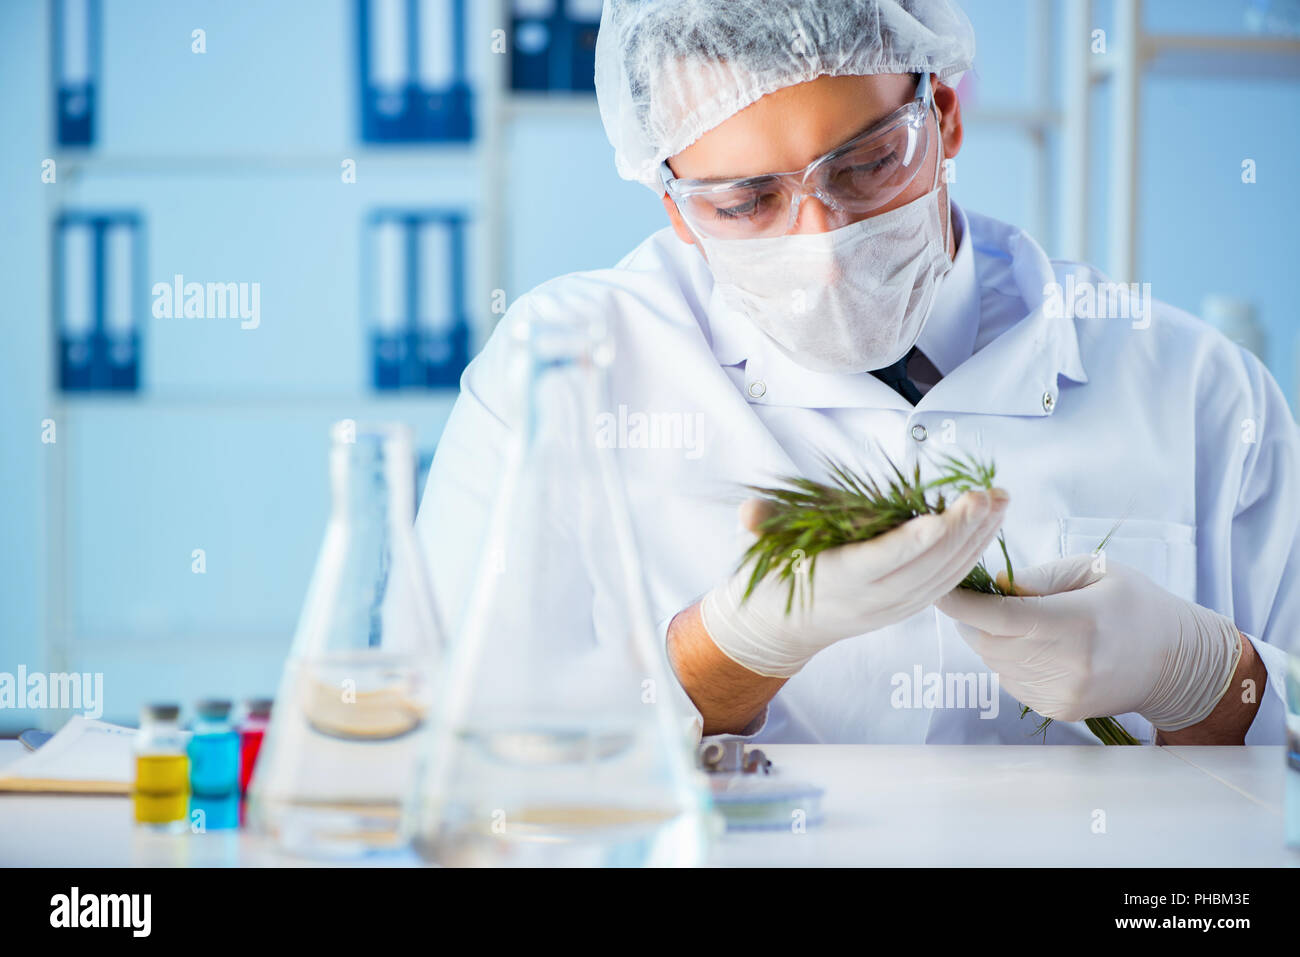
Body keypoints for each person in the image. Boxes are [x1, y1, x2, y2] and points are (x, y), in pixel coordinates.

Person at [416, 0, 1298, 746]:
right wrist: (725, 653)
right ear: (678, 210)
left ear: (944, 114)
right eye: (746, 202)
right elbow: (458, 754)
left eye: (869, 165)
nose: (824, 250)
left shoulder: (1197, 391)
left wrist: (1211, 678)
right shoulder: (561, 374)